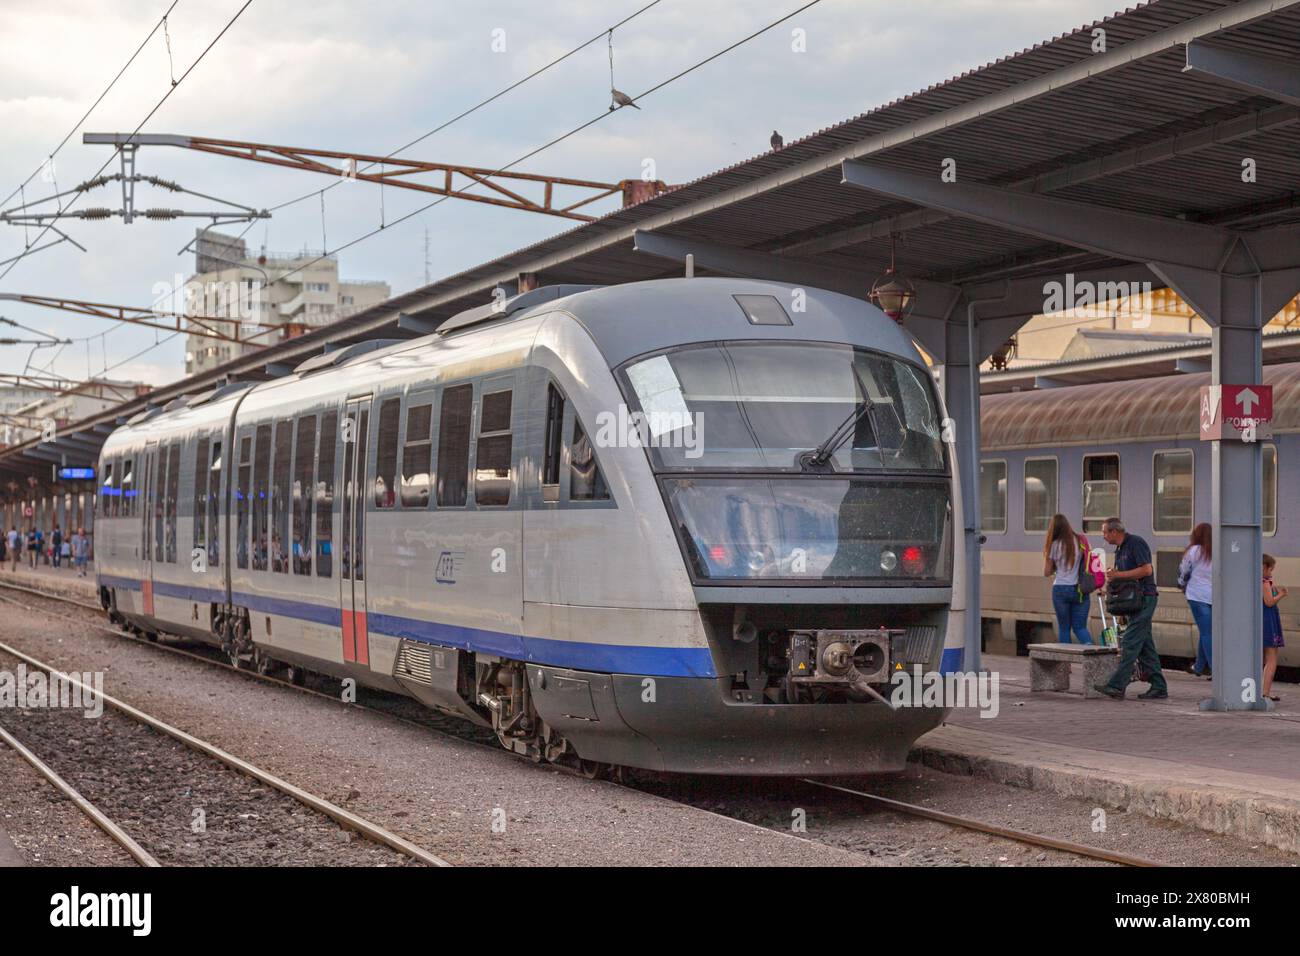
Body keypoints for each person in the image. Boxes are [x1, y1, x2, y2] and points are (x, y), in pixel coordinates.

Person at [1094, 517, 1167, 700]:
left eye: (1105, 532)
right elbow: (1125, 577)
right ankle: (1159, 686)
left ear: (1114, 531)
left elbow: (1146, 570)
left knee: (1130, 642)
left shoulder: (1136, 543)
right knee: (1145, 646)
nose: (1103, 536)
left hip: (1145, 598)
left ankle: (1117, 686)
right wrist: (1113, 581)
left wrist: (1119, 575)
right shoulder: (1120, 549)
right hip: (1133, 602)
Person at [1043, 513, 1093, 644]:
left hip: (1060, 589)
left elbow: (1047, 572)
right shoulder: (1079, 541)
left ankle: (1065, 663)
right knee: (1080, 627)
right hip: (1079, 589)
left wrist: (1056, 566)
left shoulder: (1053, 545)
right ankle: (1092, 657)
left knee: (1064, 628)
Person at [1179, 522, 1213, 678]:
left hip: (1197, 596)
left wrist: (1181, 584)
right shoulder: (1217, 550)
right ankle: (1199, 666)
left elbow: (1185, 570)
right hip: (1215, 596)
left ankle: (1215, 668)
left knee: (1207, 633)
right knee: (1206, 631)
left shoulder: (1194, 551)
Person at [1263, 554, 1287, 703]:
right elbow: (1269, 602)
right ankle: (1265, 692)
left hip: (1266, 619)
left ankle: (1264, 691)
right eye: (1270, 569)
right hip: (1268, 620)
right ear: (1264, 567)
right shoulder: (1264, 582)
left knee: (1267, 657)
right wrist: (1281, 595)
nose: (1271, 573)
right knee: (1271, 658)